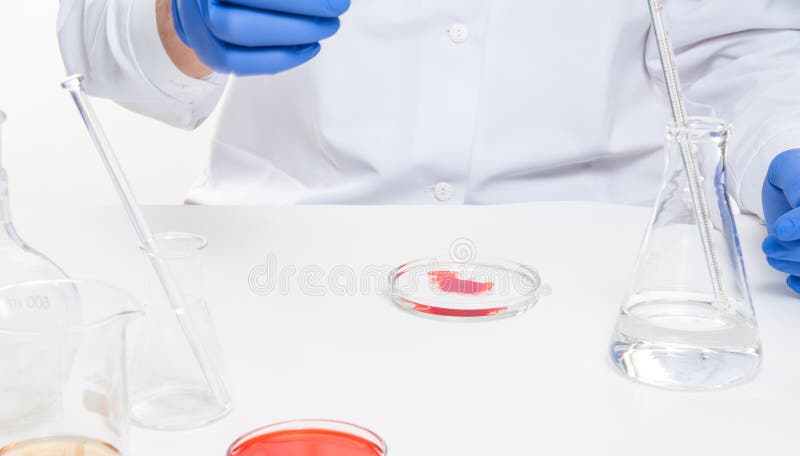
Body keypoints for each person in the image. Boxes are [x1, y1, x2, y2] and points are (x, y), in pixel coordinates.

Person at [58, 0, 800, 293]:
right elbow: (92, 38)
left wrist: (787, 145)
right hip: (291, 275)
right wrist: (172, 17)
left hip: (604, 281)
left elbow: (746, 39)